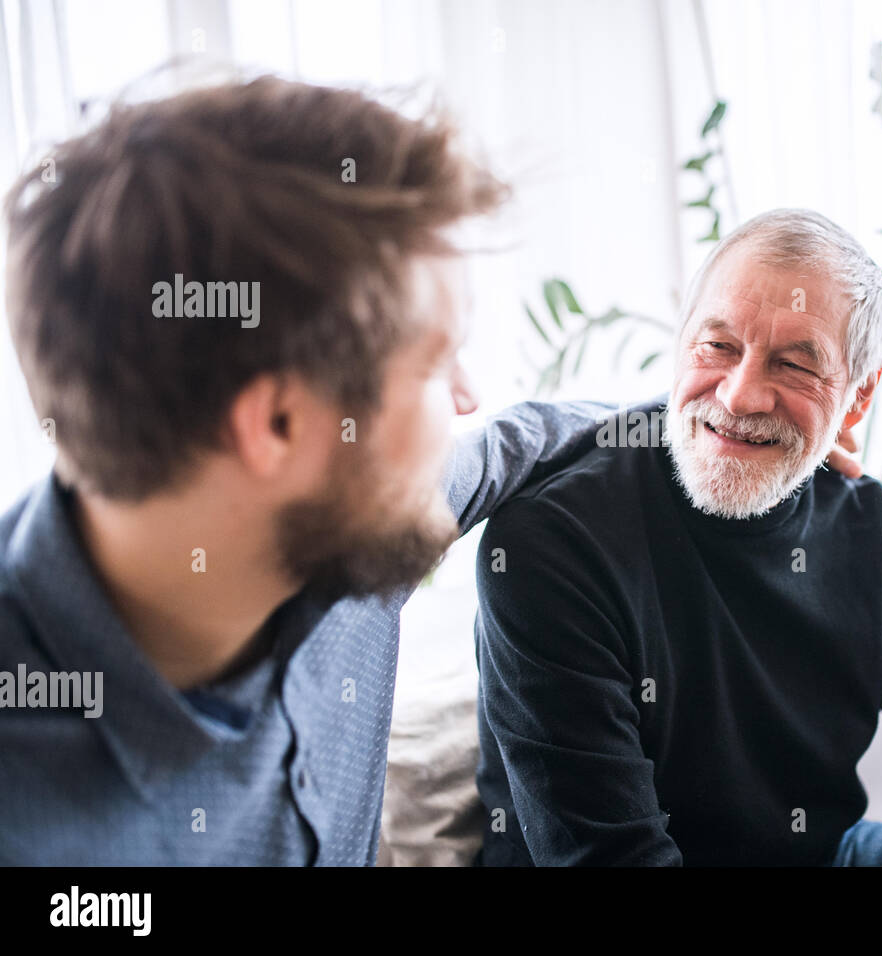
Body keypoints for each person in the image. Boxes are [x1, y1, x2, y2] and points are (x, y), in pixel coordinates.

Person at [0, 76, 723, 864]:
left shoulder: (335, 504)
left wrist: (740, 424)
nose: (465, 396)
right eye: (434, 360)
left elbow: (521, 439)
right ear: (276, 425)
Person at [474, 208, 882, 866]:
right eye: (719, 346)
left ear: (856, 398)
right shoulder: (552, 542)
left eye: (795, 365)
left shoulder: (869, 535)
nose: (740, 396)